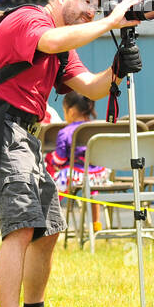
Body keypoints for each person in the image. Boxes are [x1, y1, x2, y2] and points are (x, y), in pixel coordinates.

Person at [0, 0, 144, 307]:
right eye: (88, 1)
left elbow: (91, 89)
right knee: (20, 227)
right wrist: (112, 22)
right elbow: (49, 42)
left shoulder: (65, 45)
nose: (93, 11)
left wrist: (116, 70)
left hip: (26, 133)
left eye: (98, 4)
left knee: (47, 226)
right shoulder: (29, 20)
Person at [44, 92, 111, 232]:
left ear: (72, 111)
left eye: (64, 112)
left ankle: (49, 221)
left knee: (50, 187)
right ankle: (96, 224)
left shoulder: (66, 132)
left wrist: (56, 161)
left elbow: (59, 159)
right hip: (99, 175)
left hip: (76, 174)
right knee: (92, 191)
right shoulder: (96, 128)